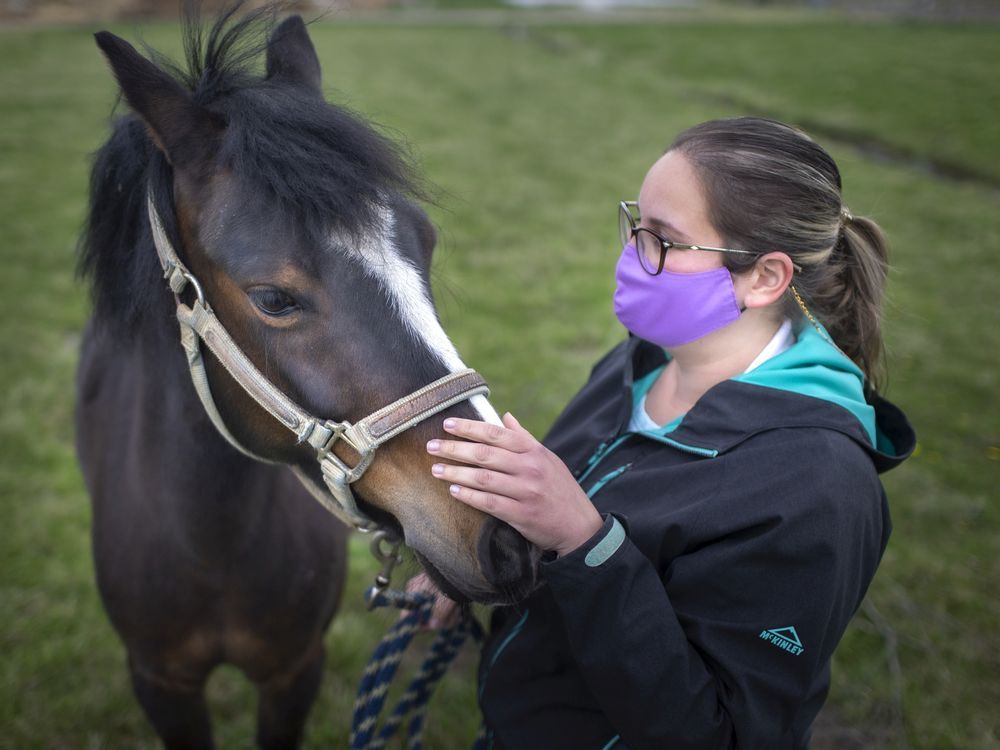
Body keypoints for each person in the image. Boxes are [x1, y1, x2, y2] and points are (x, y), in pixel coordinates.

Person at [412, 116, 915, 749]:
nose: (631, 255)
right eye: (636, 224)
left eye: (664, 240)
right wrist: (483, 561)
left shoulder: (819, 489)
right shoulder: (642, 360)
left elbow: (718, 735)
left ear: (764, 278)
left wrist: (584, 541)